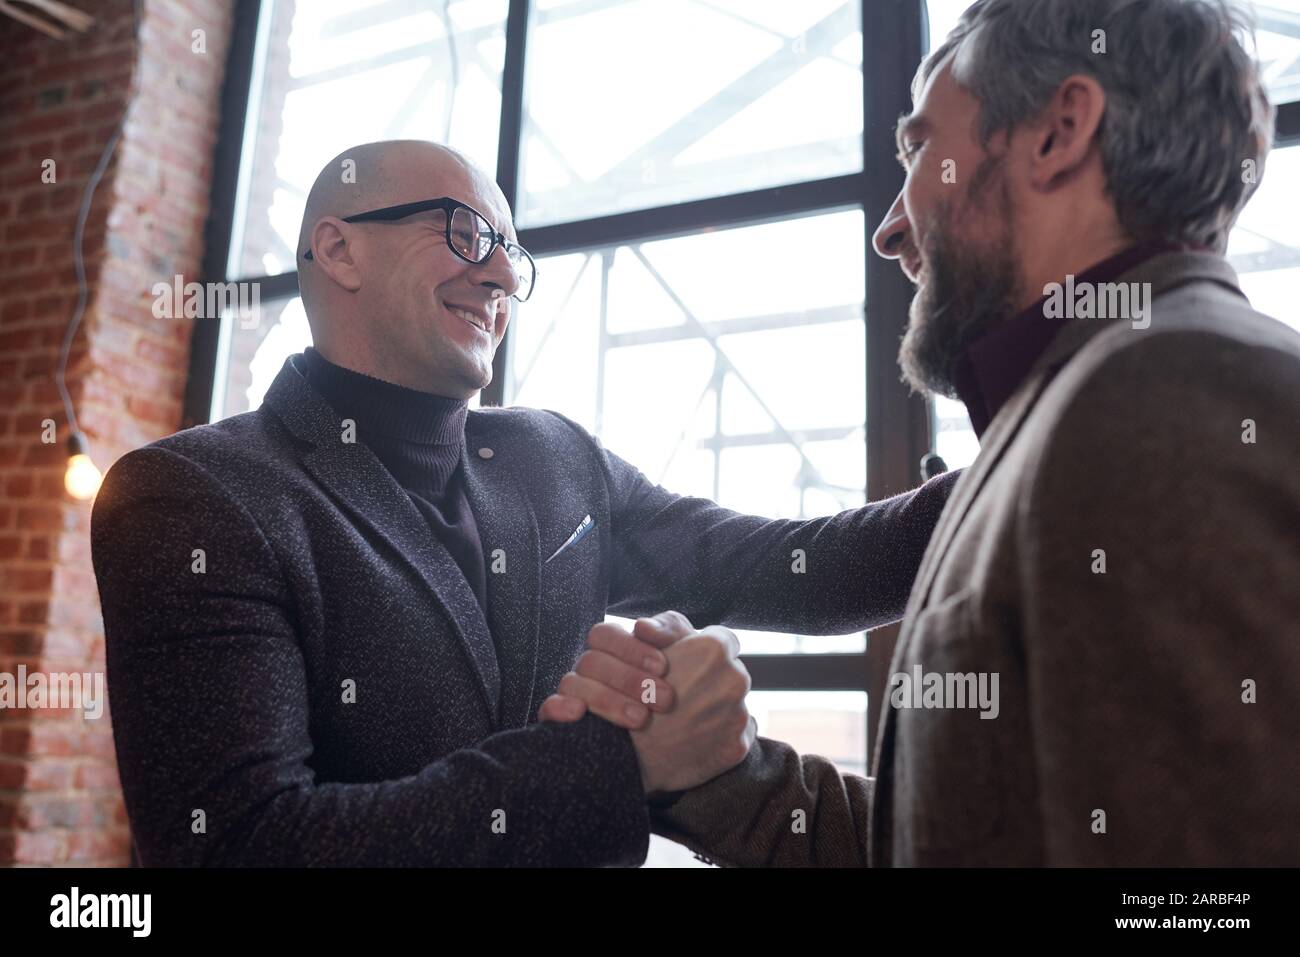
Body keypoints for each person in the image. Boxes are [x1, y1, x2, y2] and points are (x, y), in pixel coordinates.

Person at [544, 0, 1300, 866]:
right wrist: (724, 775)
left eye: (920, 151)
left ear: (1059, 131)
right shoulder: (1078, 412)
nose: (891, 225)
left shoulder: (1174, 399)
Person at [89, 139, 960, 866]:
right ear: (341, 248)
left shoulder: (553, 455)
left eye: (513, 247)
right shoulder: (191, 496)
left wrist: (1026, 450)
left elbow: (804, 570)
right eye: (468, 232)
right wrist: (619, 764)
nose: (503, 270)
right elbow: (243, 848)